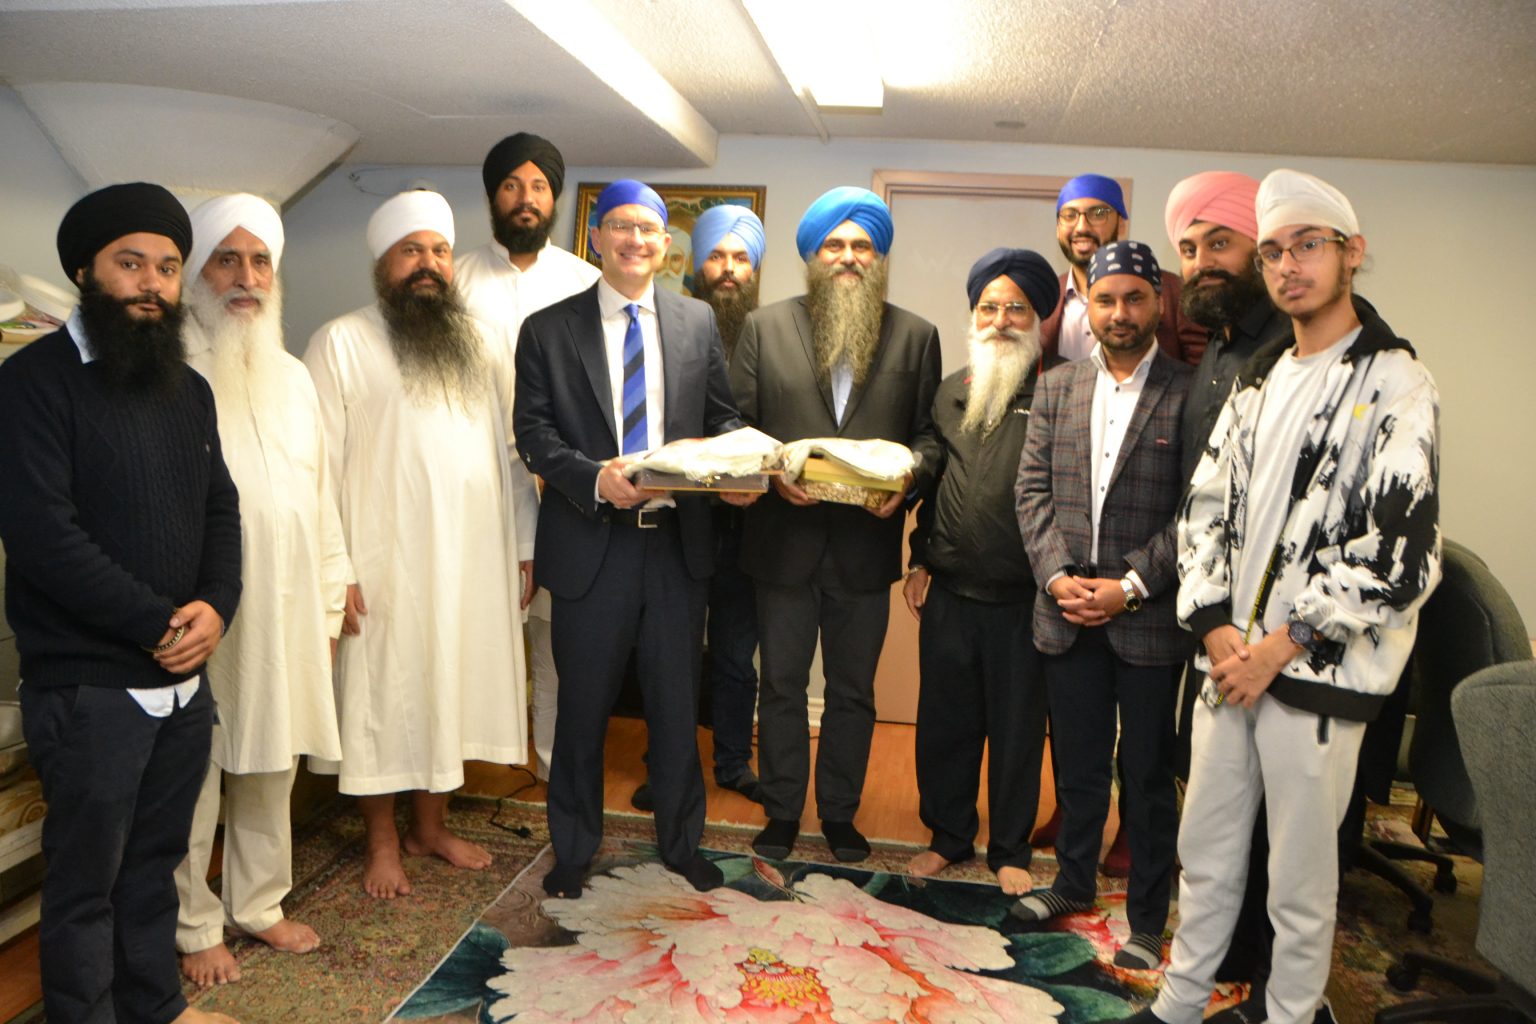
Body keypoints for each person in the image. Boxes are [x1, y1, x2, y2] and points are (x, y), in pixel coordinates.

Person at [1122, 170, 1441, 1024]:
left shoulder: (1395, 381)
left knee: (1298, 879)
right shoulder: (1258, 378)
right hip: (1228, 666)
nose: (1287, 266)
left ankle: (1290, 1015)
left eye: (1307, 246)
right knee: (1206, 853)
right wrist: (1215, 627)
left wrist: (1280, 643)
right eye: (1271, 252)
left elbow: (1400, 555)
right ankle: (1180, 1004)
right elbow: (1203, 511)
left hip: (1314, 676)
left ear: (1351, 253)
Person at [0, 182, 243, 1024]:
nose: (151, 283)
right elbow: (44, 537)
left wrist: (218, 604)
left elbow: (221, 510)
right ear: (84, 271)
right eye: (130, 263)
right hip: (90, 685)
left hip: (182, 679)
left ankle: (157, 1007)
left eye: (167, 268)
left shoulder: (188, 387)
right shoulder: (31, 383)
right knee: (85, 885)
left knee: (156, 864)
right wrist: (159, 624)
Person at [514, 179, 750, 899]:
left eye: (648, 229)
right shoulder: (548, 330)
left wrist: (745, 467)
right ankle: (573, 851)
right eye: (620, 226)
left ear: (665, 244)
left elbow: (721, 418)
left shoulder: (696, 322)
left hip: (677, 548)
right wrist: (594, 478)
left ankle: (681, 846)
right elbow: (533, 433)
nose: (635, 240)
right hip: (593, 546)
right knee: (582, 710)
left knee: (676, 710)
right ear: (596, 238)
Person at [304, 189, 537, 899]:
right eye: (412, 251)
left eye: (439, 250)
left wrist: (524, 544)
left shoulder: (483, 342)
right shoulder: (340, 342)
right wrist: (335, 569)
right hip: (381, 559)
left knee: (447, 686)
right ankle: (382, 839)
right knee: (383, 695)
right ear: (384, 263)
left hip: (470, 556)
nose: (429, 263)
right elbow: (315, 467)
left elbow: (513, 450)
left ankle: (430, 828)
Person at [729, 186, 942, 863]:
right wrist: (774, 475)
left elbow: (930, 438)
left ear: (879, 258)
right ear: (813, 256)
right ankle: (782, 810)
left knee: (853, 692)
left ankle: (841, 814)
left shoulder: (916, 336)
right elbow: (737, 425)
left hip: (864, 548)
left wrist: (908, 482)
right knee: (781, 687)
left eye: (862, 246)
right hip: (782, 544)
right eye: (835, 245)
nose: (849, 256)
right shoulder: (765, 328)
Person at [172, 194, 349, 987]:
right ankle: (191, 923)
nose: (246, 278)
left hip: (285, 603)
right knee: (194, 771)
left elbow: (321, 495)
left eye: (260, 261)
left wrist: (330, 599)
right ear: (197, 275)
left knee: (272, 760)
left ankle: (259, 902)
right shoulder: (169, 372)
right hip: (201, 607)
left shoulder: (292, 376)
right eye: (227, 260)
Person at [1014, 241, 1193, 971]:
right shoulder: (1056, 386)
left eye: (1134, 298)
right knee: (1080, 766)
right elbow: (1031, 492)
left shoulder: (1189, 391)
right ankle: (1073, 883)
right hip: (1066, 613)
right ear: (1087, 306)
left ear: (1157, 304)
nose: (1119, 313)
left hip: (1146, 618)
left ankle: (1147, 918)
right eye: (1106, 299)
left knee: (1146, 775)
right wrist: (1056, 577)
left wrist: (1130, 586)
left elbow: (1197, 512)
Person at [1163, 171, 1296, 987]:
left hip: (1276, 634)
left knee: (1277, 824)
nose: (1201, 261)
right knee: (1216, 807)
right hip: (1214, 616)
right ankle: (1223, 961)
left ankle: (1266, 976)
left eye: (1219, 242)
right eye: (1189, 248)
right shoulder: (1216, 343)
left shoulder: (1294, 347)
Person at [901, 248, 1062, 895]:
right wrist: (919, 557)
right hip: (950, 592)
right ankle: (948, 837)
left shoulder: (1062, 390)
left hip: (1026, 600)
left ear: (1038, 318)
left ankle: (1010, 849)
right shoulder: (952, 390)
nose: (1000, 320)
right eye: (988, 307)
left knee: (1017, 731)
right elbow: (937, 480)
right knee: (945, 725)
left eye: (1015, 308)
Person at [456, 132, 600, 784]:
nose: (525, 198)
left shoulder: (585, 282)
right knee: (478, 629)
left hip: (560, 486)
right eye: (512, 185)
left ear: (554, 198)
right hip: (476, 485)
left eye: (538, 186)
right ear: (494, 197)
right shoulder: (455, 280)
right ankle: (465, 763)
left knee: (554, 636)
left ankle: (552, 767)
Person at [631, 203, 769, 811]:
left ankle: (733, 762)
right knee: (671, 655)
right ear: (695, 266)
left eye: (740, 258)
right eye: (716, 256)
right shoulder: (667, 329)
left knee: (736, 655)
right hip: (677, 523)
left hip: (747, 529)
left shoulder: (771, 336)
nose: (728, 269)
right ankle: (667, 765)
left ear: (755, 269)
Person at [1040, 173, 1206, 366]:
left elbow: (1200, 371)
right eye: (1069, 215)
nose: (1082, 227)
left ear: (1121, 225)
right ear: (1057, 228)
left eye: (1098, 213)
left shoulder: (1172, 290)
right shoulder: (1046, 295)